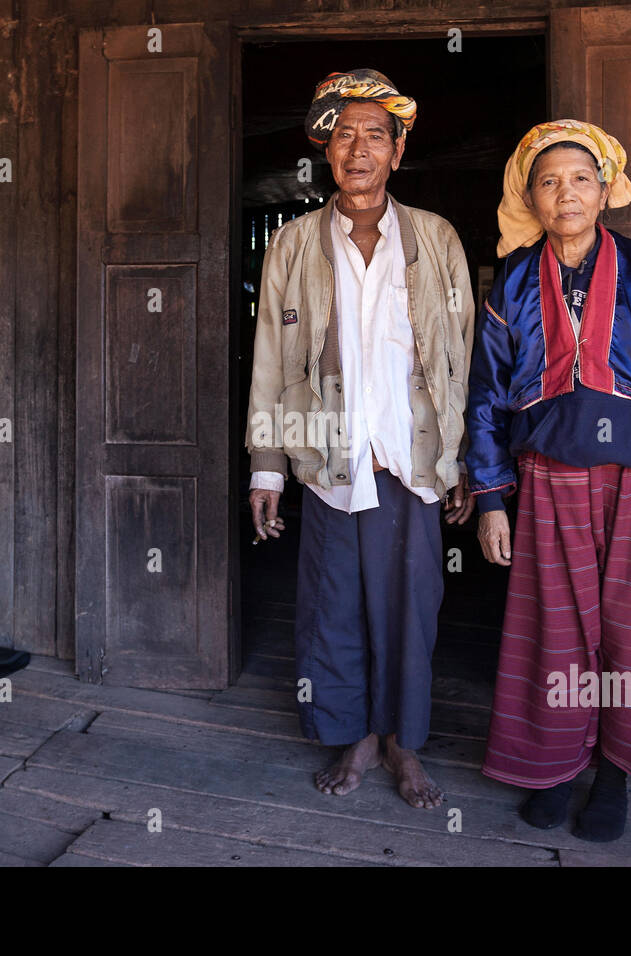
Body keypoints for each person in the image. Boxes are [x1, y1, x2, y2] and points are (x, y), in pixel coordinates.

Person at [465, 119, 631, 841]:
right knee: (554, 630)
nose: (566, 193)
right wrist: (491, 498)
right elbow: (486, 395)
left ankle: (612, 774)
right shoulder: (515, 280)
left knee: (629, 632)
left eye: (581, 178)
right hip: (549, 475)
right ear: (534, 197)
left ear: (605, 190)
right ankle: (554, 767)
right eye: (549, 181)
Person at [244, 68, 475, 809]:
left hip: (410, 460)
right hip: (328, 463)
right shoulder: (293, 244)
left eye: (376, 134)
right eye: (345, 134)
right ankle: (357, 738)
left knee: (411, 607)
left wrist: (463, 457)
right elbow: (273, 365)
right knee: (333, 608)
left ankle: (404, 745)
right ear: (326, 150)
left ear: (398, 152)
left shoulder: (436, 239)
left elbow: (462, 354)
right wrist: (267, 469)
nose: (360, 147)